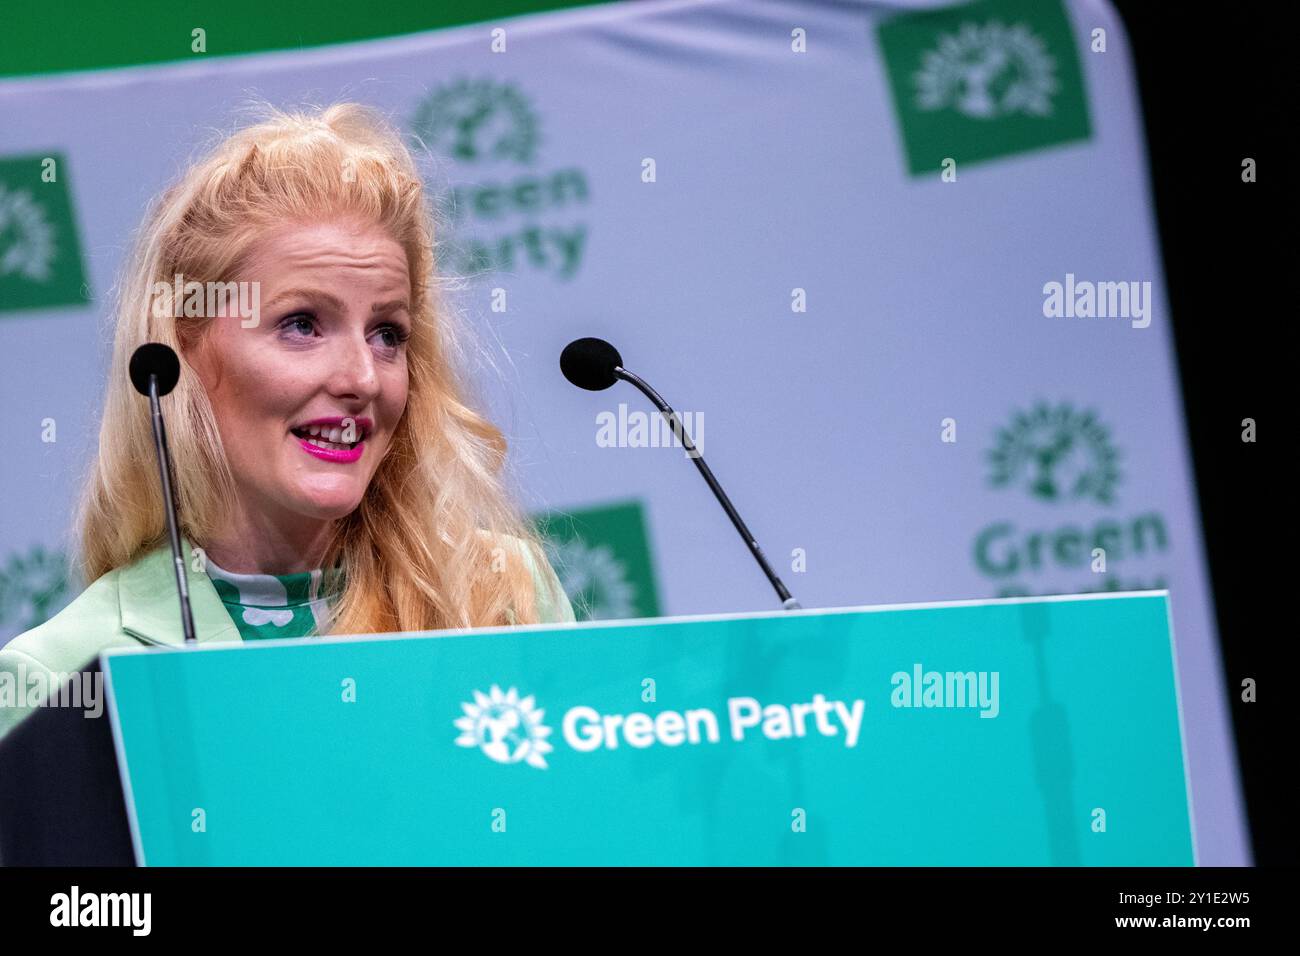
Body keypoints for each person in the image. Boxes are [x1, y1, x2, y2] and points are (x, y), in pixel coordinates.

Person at [0, 103, 573, 742]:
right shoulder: (59, 674)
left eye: (388, 333)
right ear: (180, 351)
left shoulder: (505, 599)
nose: (361, 377)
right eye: (301, 324)